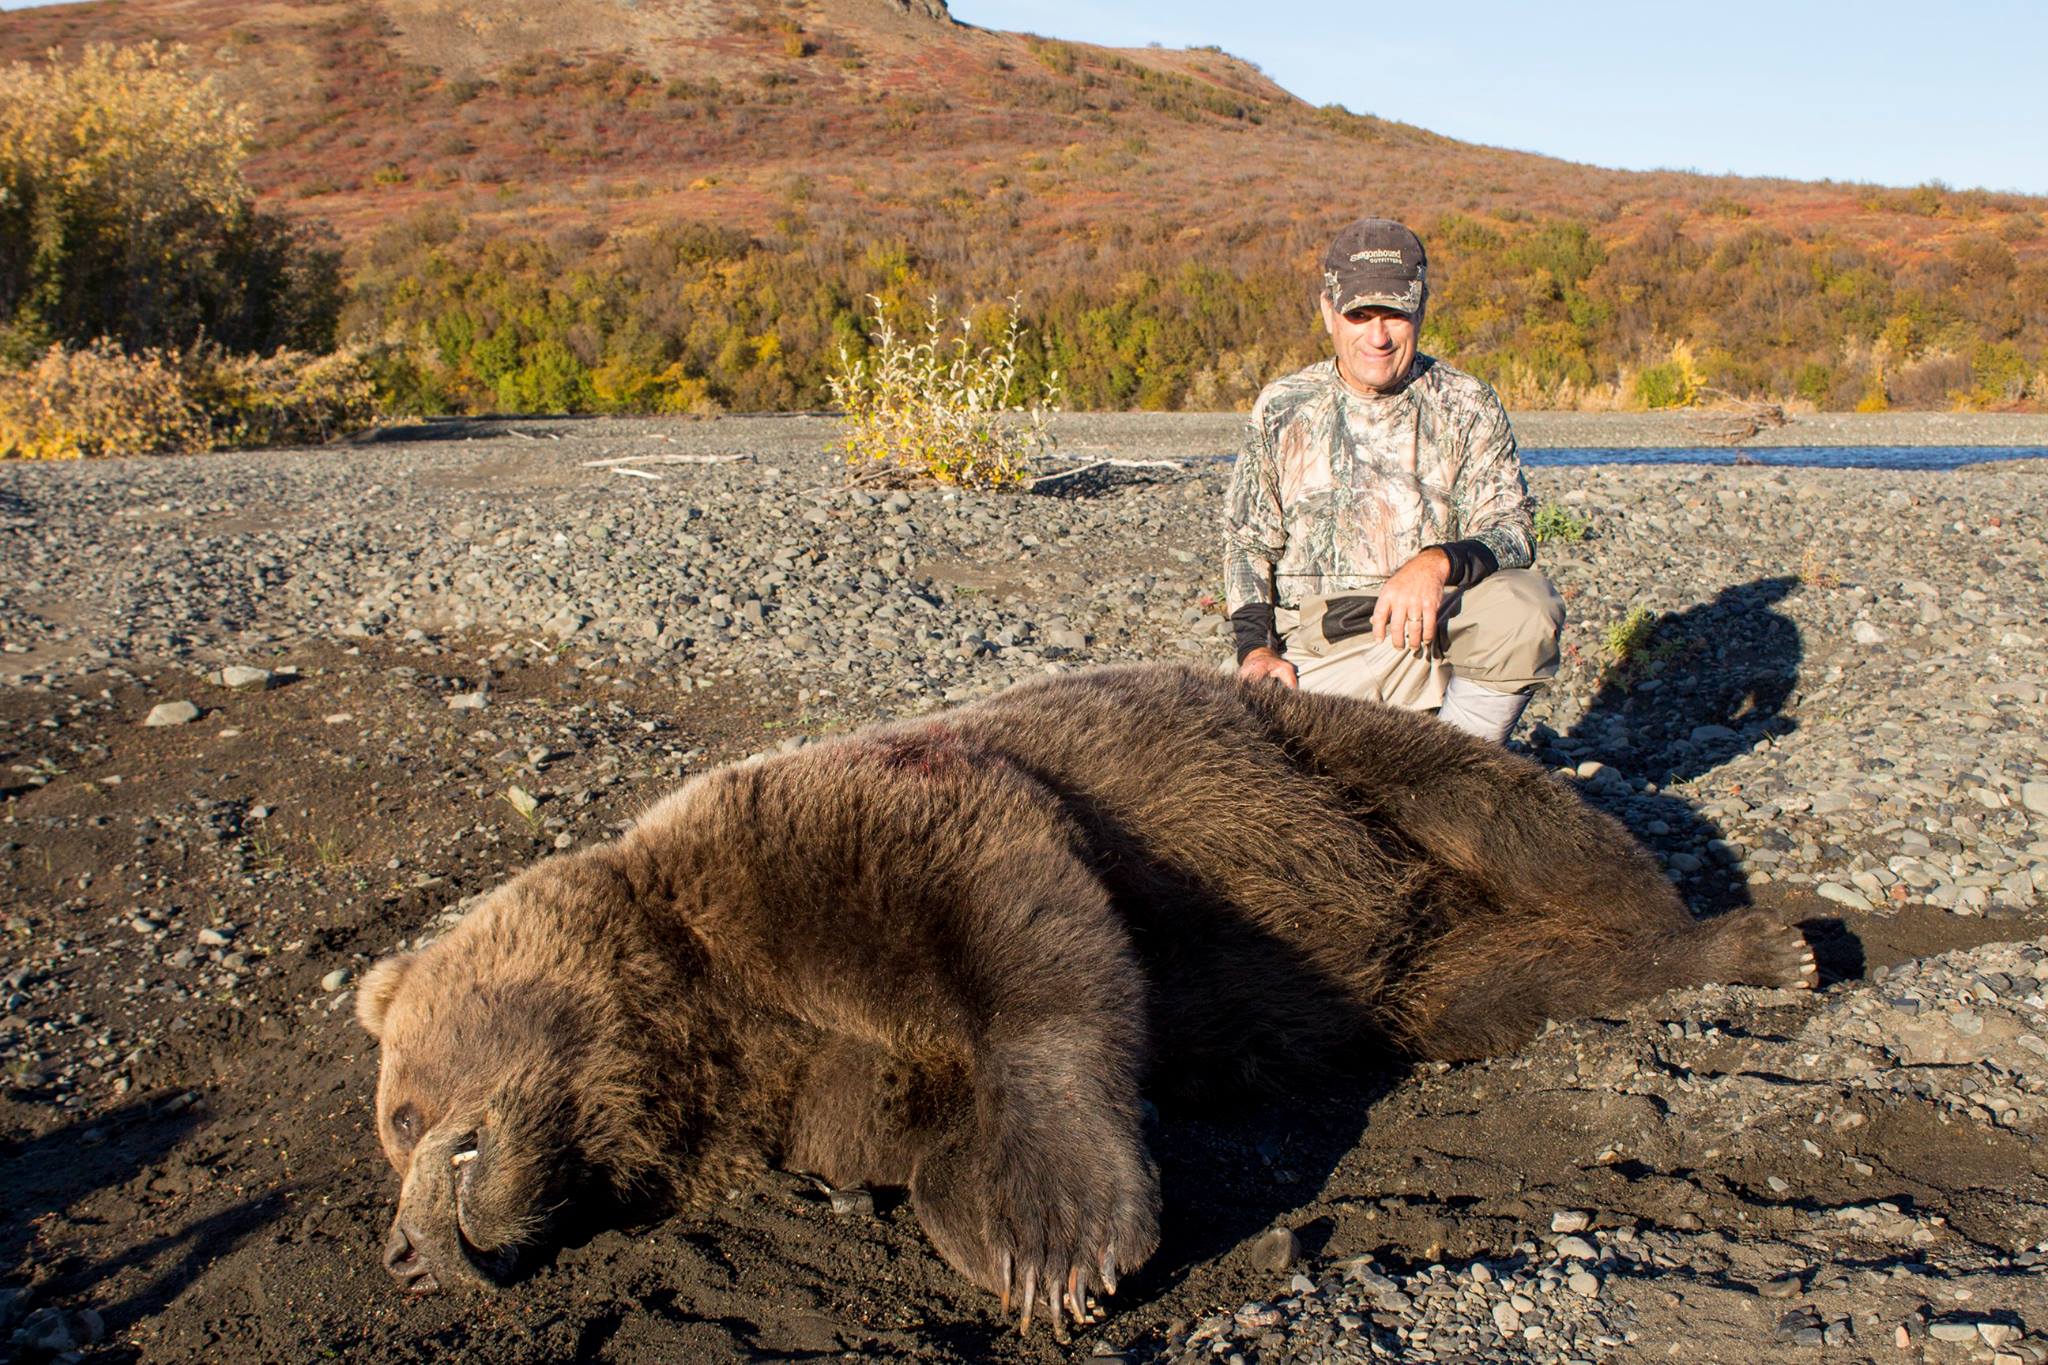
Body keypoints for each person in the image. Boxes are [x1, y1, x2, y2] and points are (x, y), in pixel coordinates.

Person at [1222, 217, 1564, 744]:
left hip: (1434, 640)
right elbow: (1246, 544)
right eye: (1360, 314)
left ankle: (1461, 777)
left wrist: (1434, 562)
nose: (1377, 336)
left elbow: (1513, 532)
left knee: (1523, 605)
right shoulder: (1282, 406)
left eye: (1395, 314)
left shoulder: (1469, 404)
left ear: (1421, 308)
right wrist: (1256, 650)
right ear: (1329, 312)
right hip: (1316, 650)